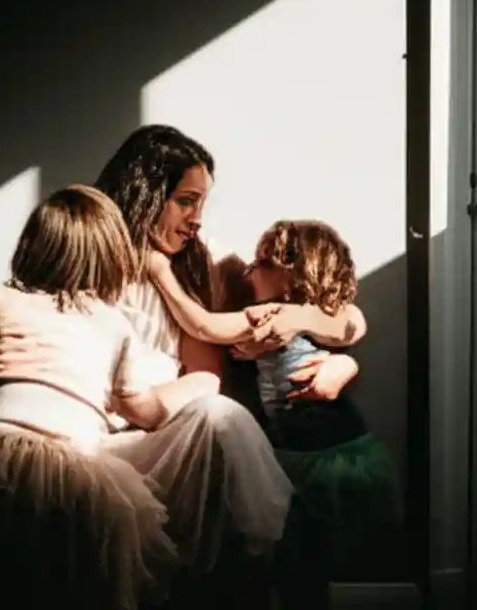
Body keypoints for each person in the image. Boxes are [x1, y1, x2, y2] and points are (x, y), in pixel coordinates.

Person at [92, 125, 366, 607]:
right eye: (186, 201)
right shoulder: (87, 260)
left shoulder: (207, 262)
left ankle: (281, 562)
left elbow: (345, 316)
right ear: (145, 194)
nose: (196, 219)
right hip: (107, 437)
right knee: (218, 418)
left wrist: (333, 356)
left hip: (174, 427)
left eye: (202, 203)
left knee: (219, 416)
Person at [0, 185, 180, 610]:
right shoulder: (115, 324)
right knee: (73, 582)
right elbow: (140, 406)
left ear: (33, 246)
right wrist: (164, 408)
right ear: (112, 255)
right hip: (74, 471)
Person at [149, 219, 405, 607]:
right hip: (298, 454)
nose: (249, 269)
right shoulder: (280, 317)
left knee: (317, 559)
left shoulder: (285, 315)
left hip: (332, 455)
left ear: (292, 275)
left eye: (263, 262)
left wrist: (161, 275)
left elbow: (203, 326)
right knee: (301, 559)